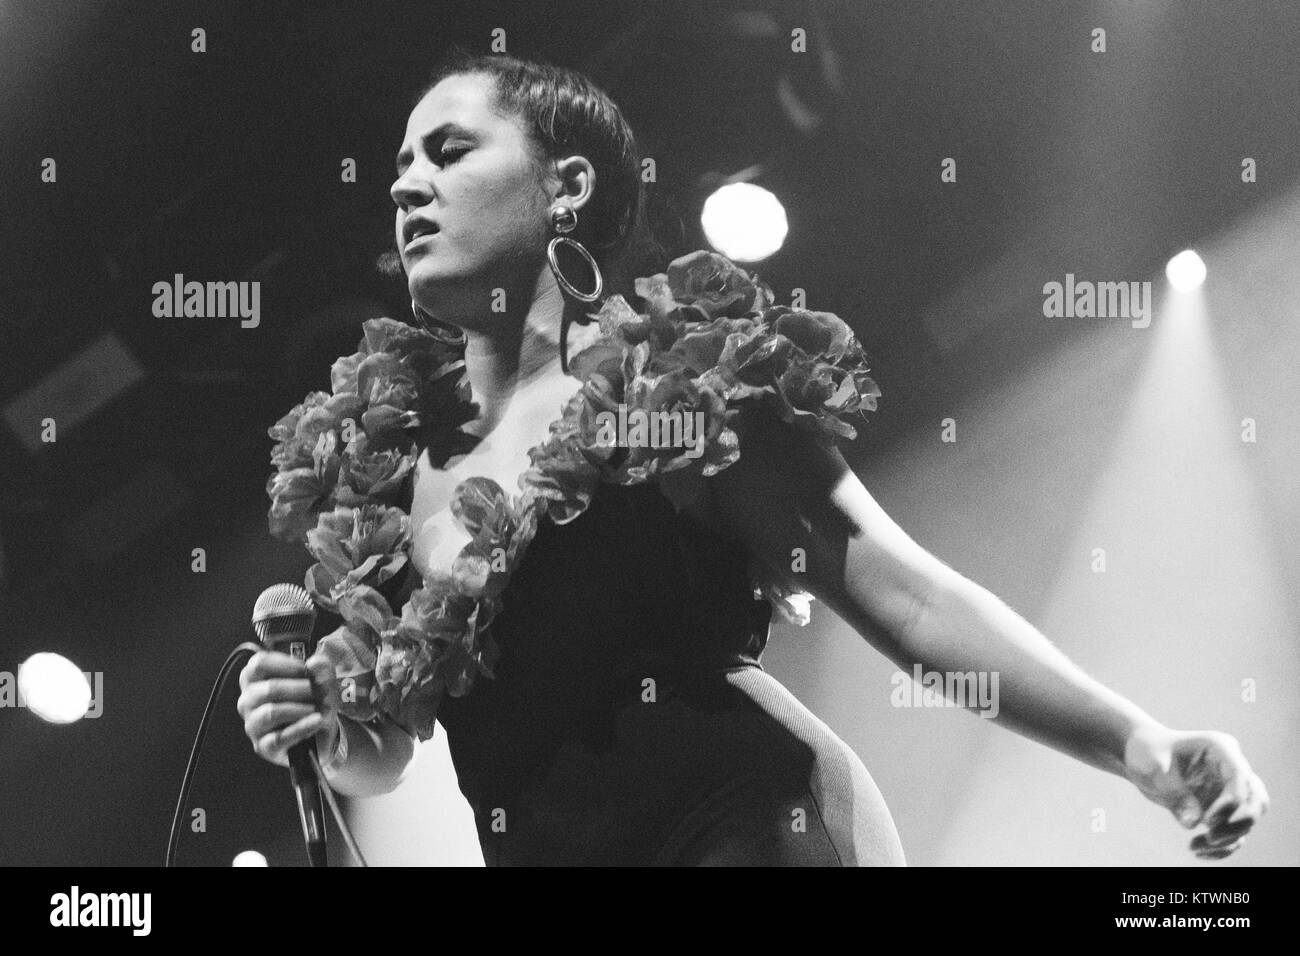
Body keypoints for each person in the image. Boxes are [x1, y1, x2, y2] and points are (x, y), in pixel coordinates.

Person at [237, 51, 1268, 865]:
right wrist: (322, 722)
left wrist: (1136, 744)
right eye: (401, 168)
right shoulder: (386, 462)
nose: (407, 186)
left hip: (746, 826)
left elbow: (902, 594)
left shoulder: (670, 380)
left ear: (567, 186)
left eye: (448, 151)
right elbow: (384, 748)